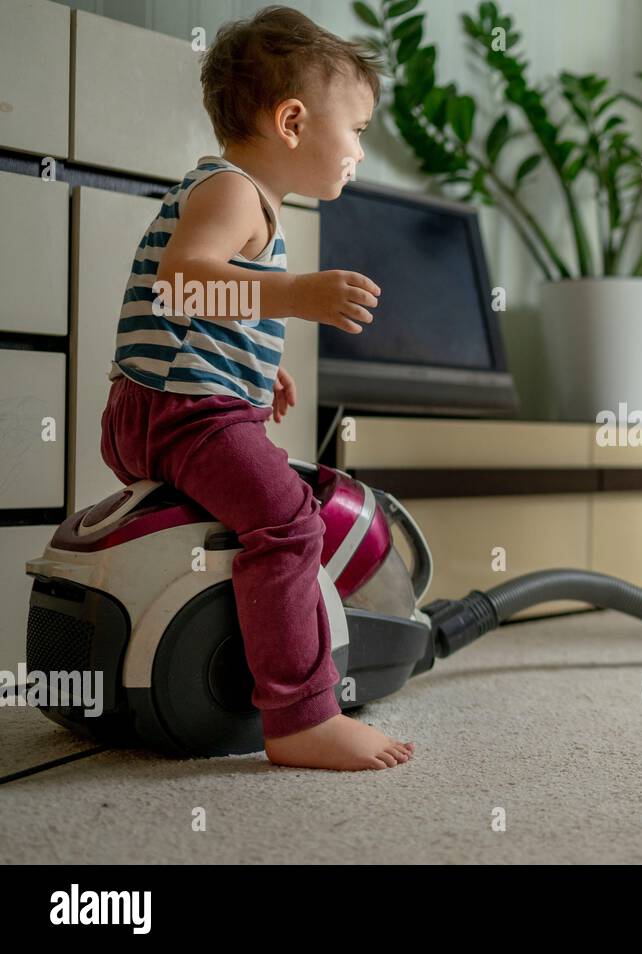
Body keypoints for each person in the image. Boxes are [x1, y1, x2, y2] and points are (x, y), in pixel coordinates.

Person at [100, 7, 412, 768]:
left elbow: (203, 303)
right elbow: (181, 284)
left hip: (172, 401)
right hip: (181, 414)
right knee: (292, 522)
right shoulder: (234, 193)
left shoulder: (239, 196)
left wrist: (251, 362)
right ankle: (300, 717)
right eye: (359, 130)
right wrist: (297, 295)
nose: (360, 152)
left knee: (257, 515)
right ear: (294, 121)